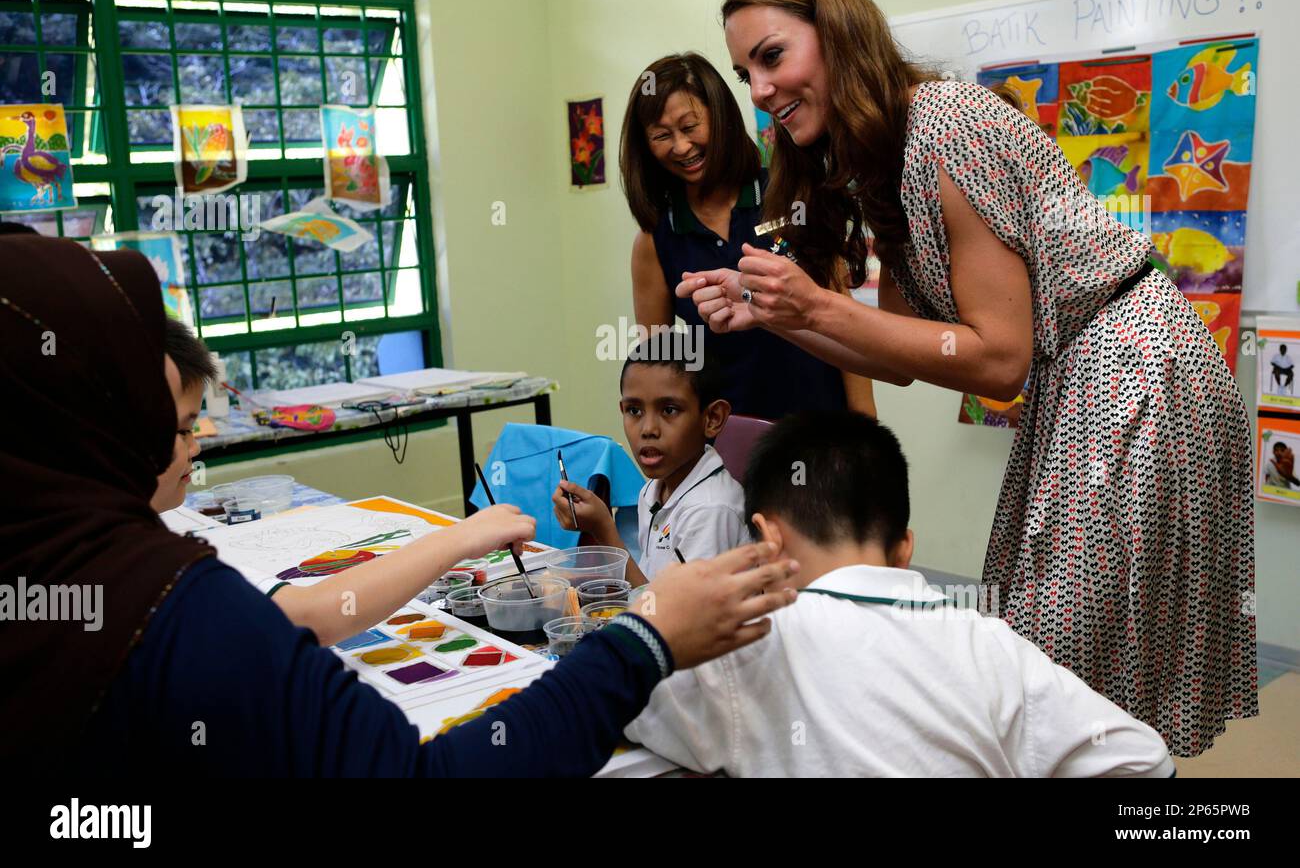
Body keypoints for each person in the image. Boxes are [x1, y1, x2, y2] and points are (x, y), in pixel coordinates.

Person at [676, 0, 1256, 756]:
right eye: (746, 74)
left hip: (1134, 366)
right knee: (1056, 652)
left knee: (1060, 661)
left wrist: (813, 305)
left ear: (837, 34)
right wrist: (775, 315)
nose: (761, 90)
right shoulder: (876, 157)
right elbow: (908, 356)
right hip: (1077, 375)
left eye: (773, 56)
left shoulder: (944, 123)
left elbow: (999, 359)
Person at [0, 235, 799, 775]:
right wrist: (640, 643)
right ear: (99, 430)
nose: (192, 447)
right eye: (173, 428)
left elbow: (294, 616)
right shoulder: (166, 612)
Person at [625, 411, 1176, 777]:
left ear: (767, 537)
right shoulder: (992, 644)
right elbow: (1146, 763)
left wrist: (652, 611)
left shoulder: (745, 647)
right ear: (905, 547)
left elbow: (614, 700)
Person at [153, 319, 565, 646]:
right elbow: (312, 618)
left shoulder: (147, 535)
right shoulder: (144, 562)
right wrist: (459, 538)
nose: (196, 447)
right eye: (185, 430)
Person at [620, 51, 874, 420]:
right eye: (661, 135)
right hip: (724, 443)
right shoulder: (655, 240)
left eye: (690, 127)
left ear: (720, 118)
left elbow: (842, 313)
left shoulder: (788, 197)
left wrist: (864, 420)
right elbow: (659, 365)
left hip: (820, 430)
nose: (681, 147)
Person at [552, 332, 746, 583]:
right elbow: (650, 591)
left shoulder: (710, 510)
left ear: (712, 418)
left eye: (669, 410)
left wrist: (603, 529)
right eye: (635, 411)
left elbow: (672, 617)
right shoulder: (653, 491)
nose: (648, 429)